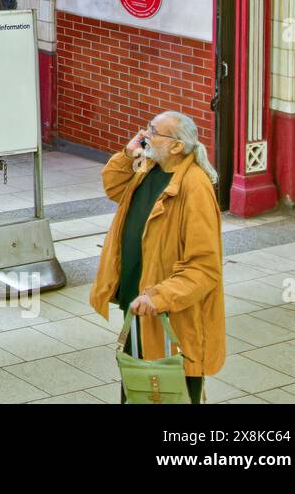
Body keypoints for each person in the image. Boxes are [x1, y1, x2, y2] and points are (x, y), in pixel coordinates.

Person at [89, 111, 224, 404]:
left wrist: (160, 297)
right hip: (138, 301)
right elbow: (113, 187)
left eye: (154, 131)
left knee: (171, 388)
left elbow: (204, 266)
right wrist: (128, 155)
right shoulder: (148, 167)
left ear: (177, 146)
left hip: (168, 309)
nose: (145, 135)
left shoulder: (195, 187)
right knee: (138, 385)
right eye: (147, 128)